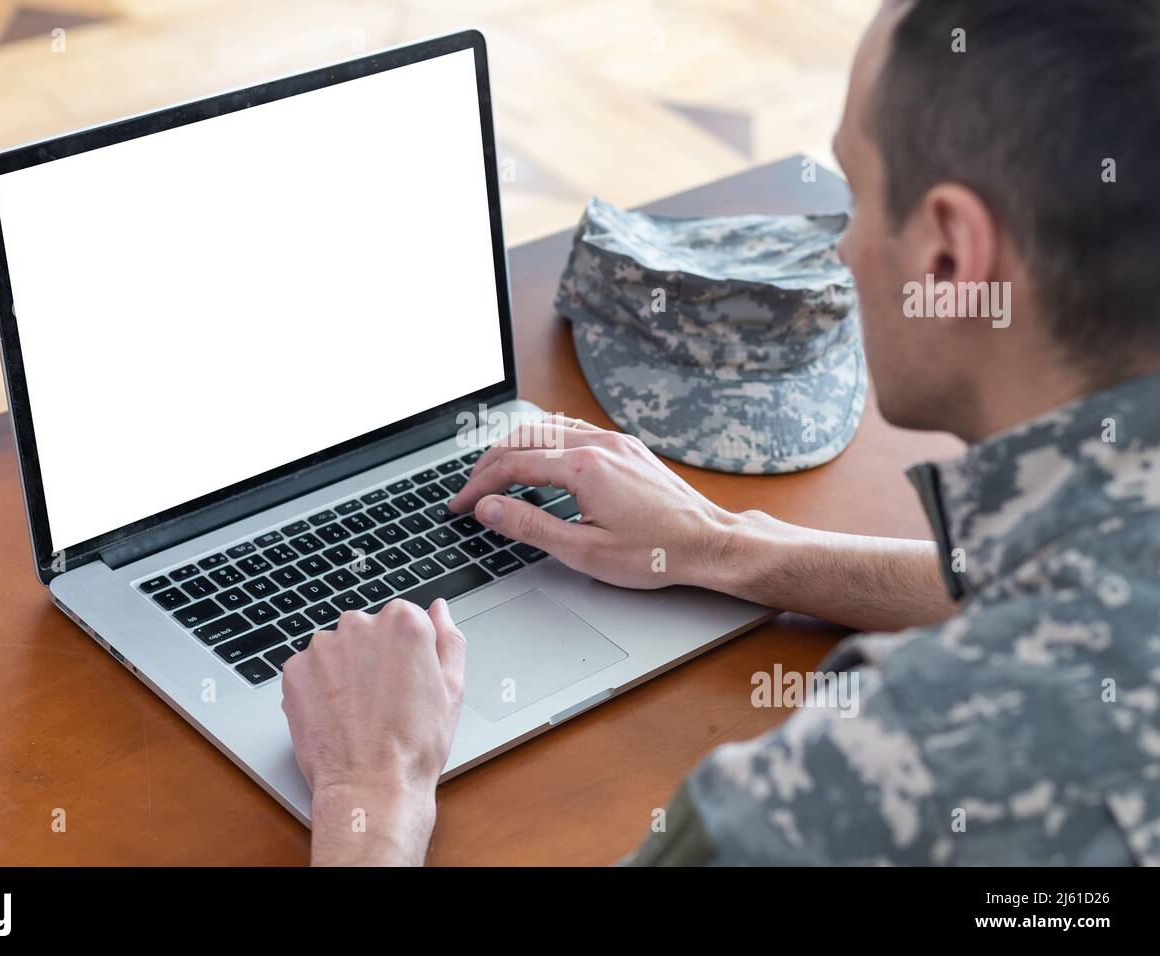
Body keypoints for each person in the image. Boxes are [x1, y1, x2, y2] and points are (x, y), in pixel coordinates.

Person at [280, 0, 1160, 866]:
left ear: (947, 256)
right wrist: (729, 545)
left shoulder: (876, 783)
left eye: (853, 197)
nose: (840, 254)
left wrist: (372, 797)